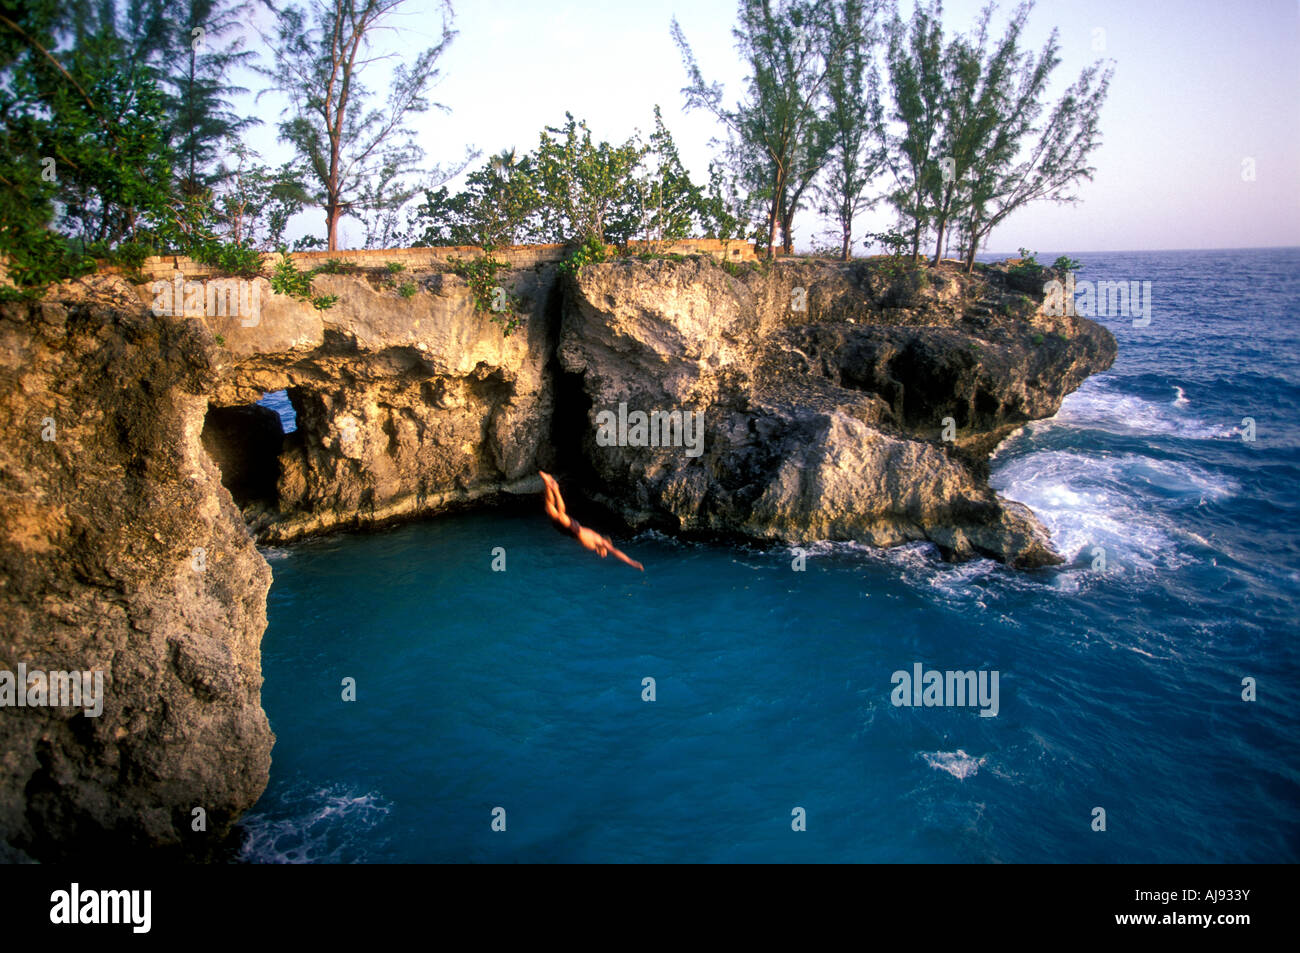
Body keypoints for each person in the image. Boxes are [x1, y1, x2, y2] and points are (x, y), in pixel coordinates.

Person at [539, 470, 644, 571]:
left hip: (570, 532)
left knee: (550, 510)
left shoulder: (596, 545)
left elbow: (601, 550)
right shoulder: (601, 541)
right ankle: (556, 489)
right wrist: (631, 562)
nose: (603, 555)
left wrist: (601, 551)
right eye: (604, 552)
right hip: (574, 529)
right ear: (606, 546)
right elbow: (615, 552)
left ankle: (547, 483)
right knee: (561, 514)